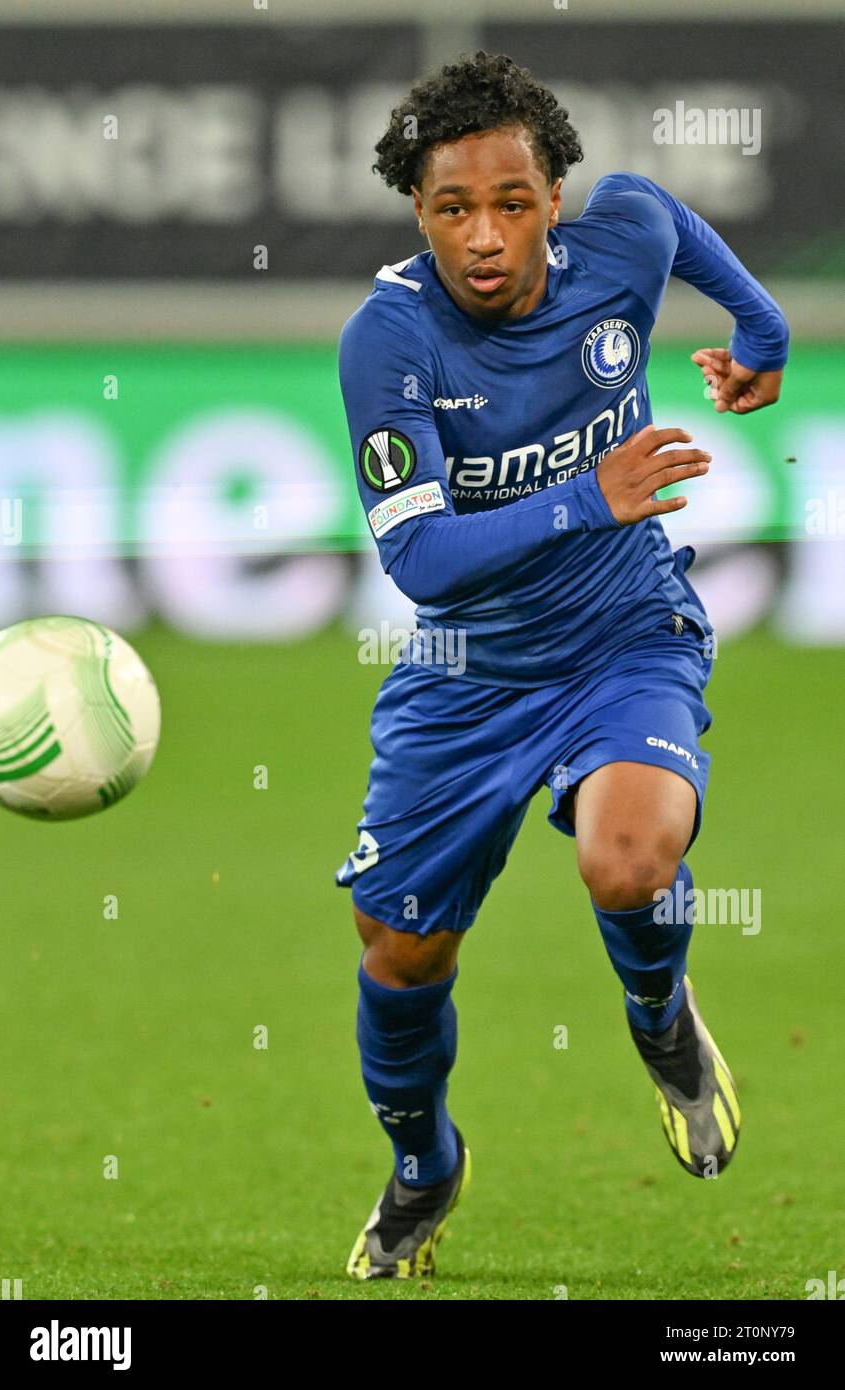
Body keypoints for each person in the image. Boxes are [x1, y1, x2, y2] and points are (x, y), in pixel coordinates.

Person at [335, 51, 788, 1280]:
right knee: (401, 953)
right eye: (452, 210)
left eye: (513, 202)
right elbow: (422, 556)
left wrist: (764, 332)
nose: (485, 236)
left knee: (628, 858)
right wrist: (591, 494)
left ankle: (662, 1026)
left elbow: (671, 217)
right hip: (466, 676)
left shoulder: (620, 242)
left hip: (619, 635)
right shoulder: (389, 339)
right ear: (419, 213)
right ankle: (424, 1159)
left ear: (552, 195)